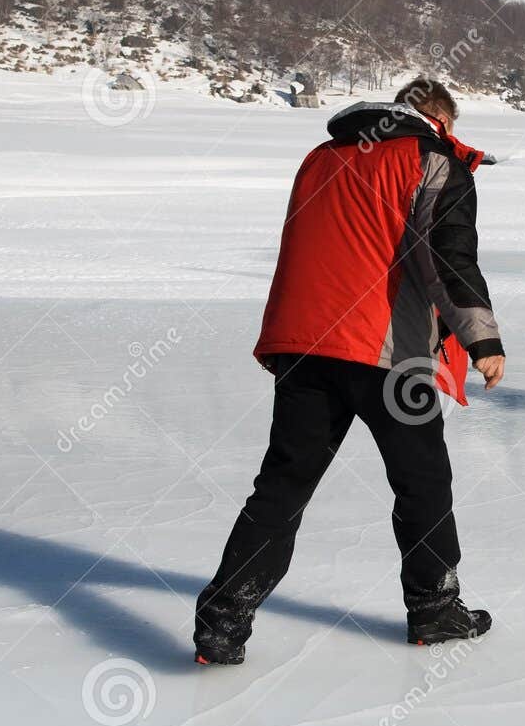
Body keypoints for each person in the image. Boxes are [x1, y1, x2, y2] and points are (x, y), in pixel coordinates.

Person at [194, 78, 505, 663]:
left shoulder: (321, 156)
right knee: (423, 482)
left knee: (282, 486)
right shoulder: (432, 160)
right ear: (439, 118)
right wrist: (481, 338)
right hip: (387, 355)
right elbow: (447, 256)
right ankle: (434, 609)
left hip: (303, 347)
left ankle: (222, 621)